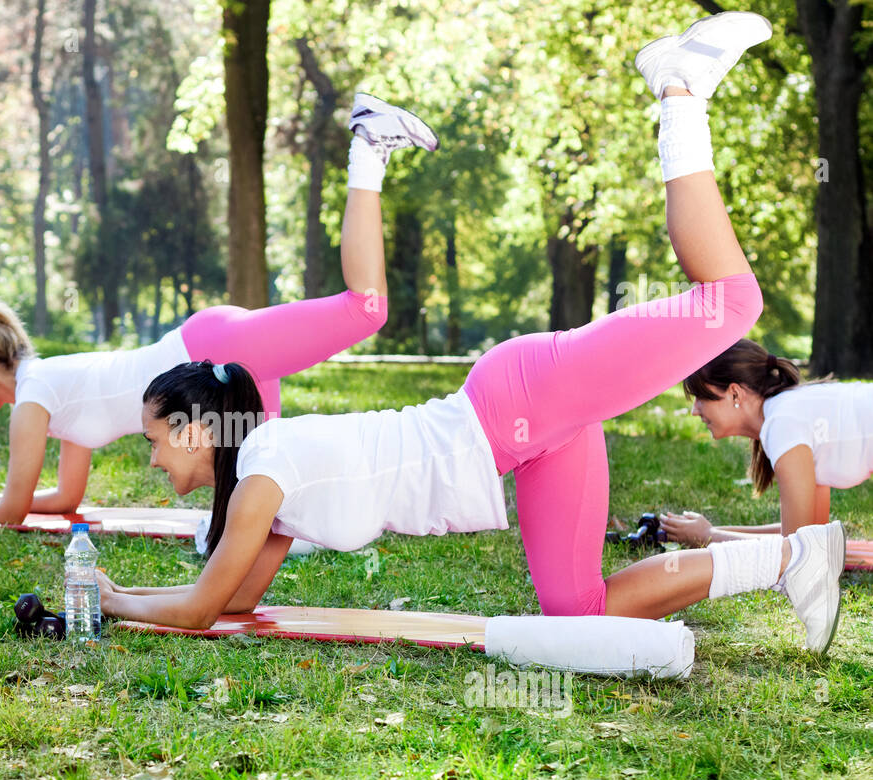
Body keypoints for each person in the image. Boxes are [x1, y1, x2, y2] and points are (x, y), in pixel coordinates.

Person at [98, 12, 848, 656]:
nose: (154, 456)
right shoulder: (261, 489)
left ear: (196, 428)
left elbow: (199, 611)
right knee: (576, 611)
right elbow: (225, 601)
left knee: (727, 301)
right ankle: (790, 558)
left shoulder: (263, 474)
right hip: (524, 434)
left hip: (516, 403)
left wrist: (109, 601)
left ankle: (679, 88)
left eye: (154, 437)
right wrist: (121, 588)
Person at [0, 93, 436, 525]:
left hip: (210, 349)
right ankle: (273, 539)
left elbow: (14, 511)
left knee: (365, 310)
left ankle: (369, 143)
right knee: (263, 462)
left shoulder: (34, 396)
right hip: (211, 353)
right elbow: (65, 500)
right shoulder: (51, 394)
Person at [659, 342, 872, 546]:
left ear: (735, 393)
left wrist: (708, 536)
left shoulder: (782, 424)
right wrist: (710, 530)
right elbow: (813, 531)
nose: (694, 410)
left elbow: (797, 550)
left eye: (700, 397)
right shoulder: (785, 411)